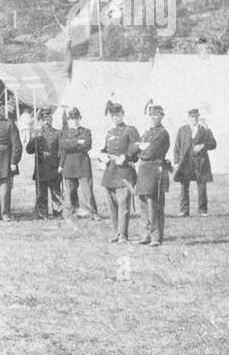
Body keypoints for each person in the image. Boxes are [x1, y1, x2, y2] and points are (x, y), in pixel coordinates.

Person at [100, 102, 140, 243]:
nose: (115, 118)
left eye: (118, 115)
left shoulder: (130, 130)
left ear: (123, 114)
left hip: (124, 172)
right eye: (113, 116)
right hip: (111, 172)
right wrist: (102, 156)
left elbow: (136, 146)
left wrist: (126, 156)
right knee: (112, 205)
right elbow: (105, 149)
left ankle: (123, 234)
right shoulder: (110, 132)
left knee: (123, 203)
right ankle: (117, 233)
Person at [135, 105, 170, 247]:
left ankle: (156, 237)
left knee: (153, 204)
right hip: (144, 169)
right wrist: (141, 148)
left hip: (154, 169)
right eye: (152, 115)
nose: (153, 117)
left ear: (162, 116)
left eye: (157, 114)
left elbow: (150, 152)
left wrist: (141, 149)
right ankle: (146, 235)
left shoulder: (162, 133)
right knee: (143, 203)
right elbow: (135, 149)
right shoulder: (147, 133)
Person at [173, 108, 216, 216]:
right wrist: (176, 162)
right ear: (188, 118)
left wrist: (203, 145)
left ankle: (202, 210)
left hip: (200, 162)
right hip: (185, 162)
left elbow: (213, 144)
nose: (194, 119)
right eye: (192, 117)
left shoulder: (204, 130)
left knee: (202, 185)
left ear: (199, 117)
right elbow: (176, 147)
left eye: (196, 117)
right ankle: (184, 210)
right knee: (184, 186)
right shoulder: (182, 130)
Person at [58, 107, 99, 220]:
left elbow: (87, 145)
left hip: (82, 164)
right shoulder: (64, 133)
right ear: (68, 119)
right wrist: (77, 142)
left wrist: (71, 143)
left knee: (87, 190)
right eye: (71, 118)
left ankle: (92, 212)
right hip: (69, 164)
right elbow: (64, 147)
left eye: (76, 118)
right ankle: (72, 212)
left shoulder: (86, 131)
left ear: (80, 118)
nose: (74, 120)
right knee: (70, 190)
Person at [25, 107, 62, 218]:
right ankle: (42, 213)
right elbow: (29, 150)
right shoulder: (37, 133)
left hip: (54, 165)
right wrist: (33, 140)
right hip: (41, 165)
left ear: (51, 119)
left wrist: (60, 165)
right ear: (41, 120)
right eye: (44, 119)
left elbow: (61, 150)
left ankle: (58, 212)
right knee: (41, 192)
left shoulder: (58, 133)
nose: (46, 121)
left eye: (48, 118)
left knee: (55, 191)